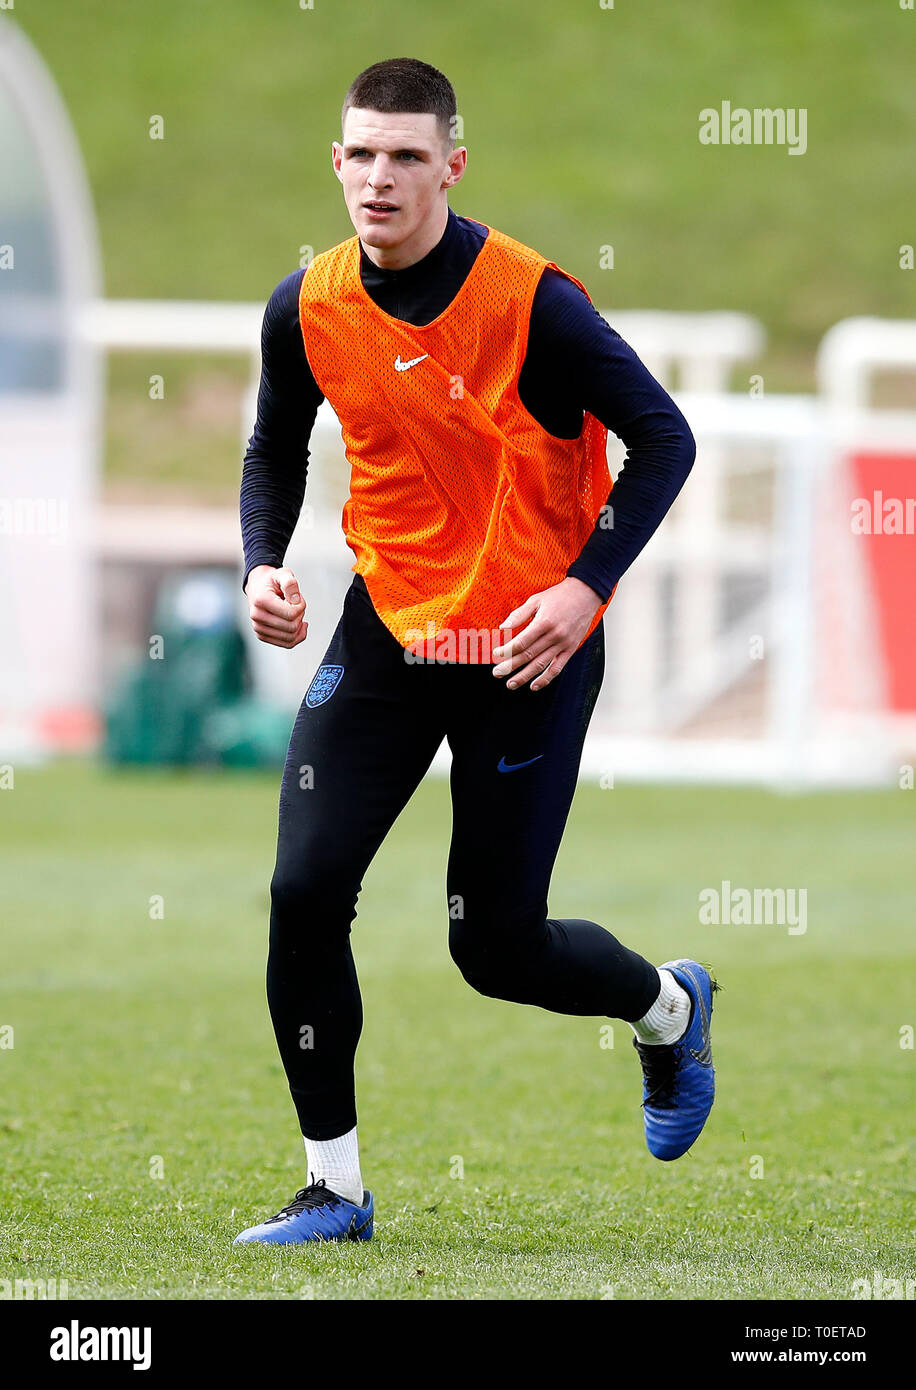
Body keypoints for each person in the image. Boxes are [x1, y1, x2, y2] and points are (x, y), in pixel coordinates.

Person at [234, 57, 716, 1246]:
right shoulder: (306, 303)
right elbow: (272, 448)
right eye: (362, 153)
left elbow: (664, 440)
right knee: (303, 893)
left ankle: (665, 1008)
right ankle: (334, 1188)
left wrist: (581, 588)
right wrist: (260, 561)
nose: (381, 177)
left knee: (492, 948)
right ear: (336, 163)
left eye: (407, 155)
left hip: (525, 651)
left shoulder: (532, 302)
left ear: (452, 163)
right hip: (390, 634)